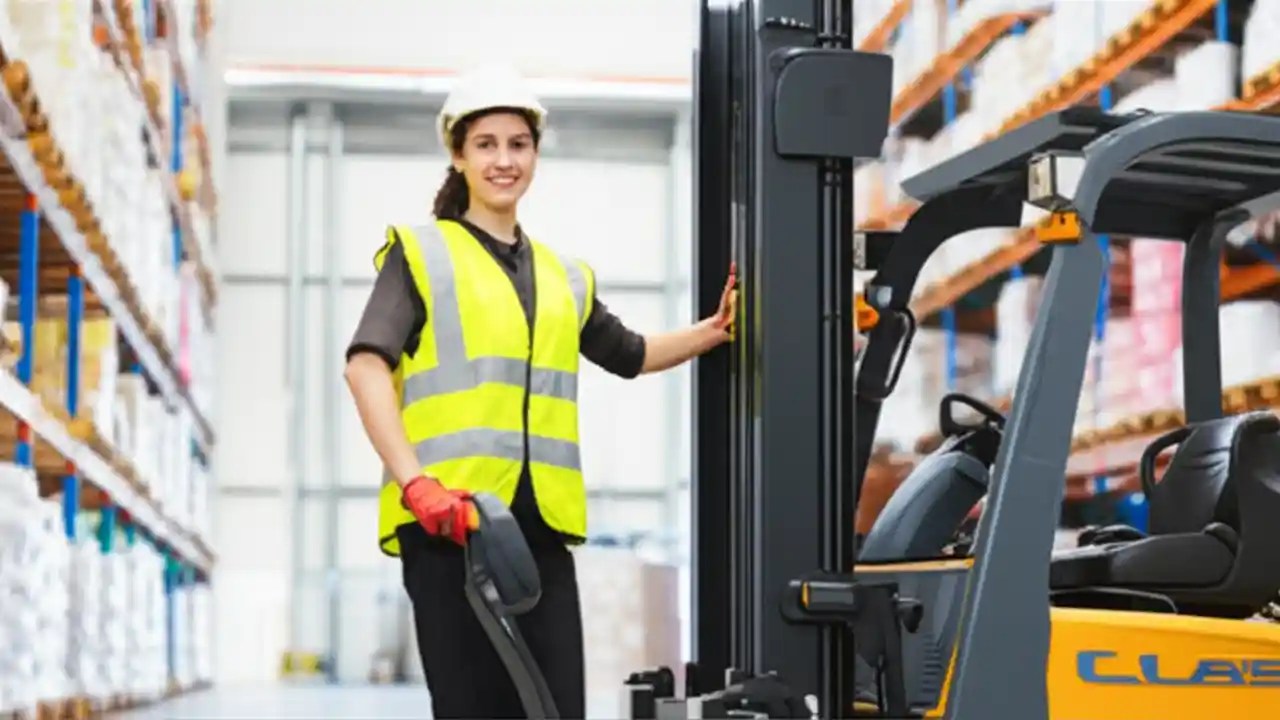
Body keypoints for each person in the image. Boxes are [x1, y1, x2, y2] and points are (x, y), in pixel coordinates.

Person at [343, 64, 738, 720]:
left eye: (518, 144)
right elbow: (365, 366)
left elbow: (632, 354)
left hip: (537, 532)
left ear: (535, 154)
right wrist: (417, 485)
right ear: (458, 156)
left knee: (555, 709)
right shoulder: (421, 254)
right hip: (451, 525)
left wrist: (715, 330)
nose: (504, 159)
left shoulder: (563, 277)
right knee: (473, 709)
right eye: (487, 144)